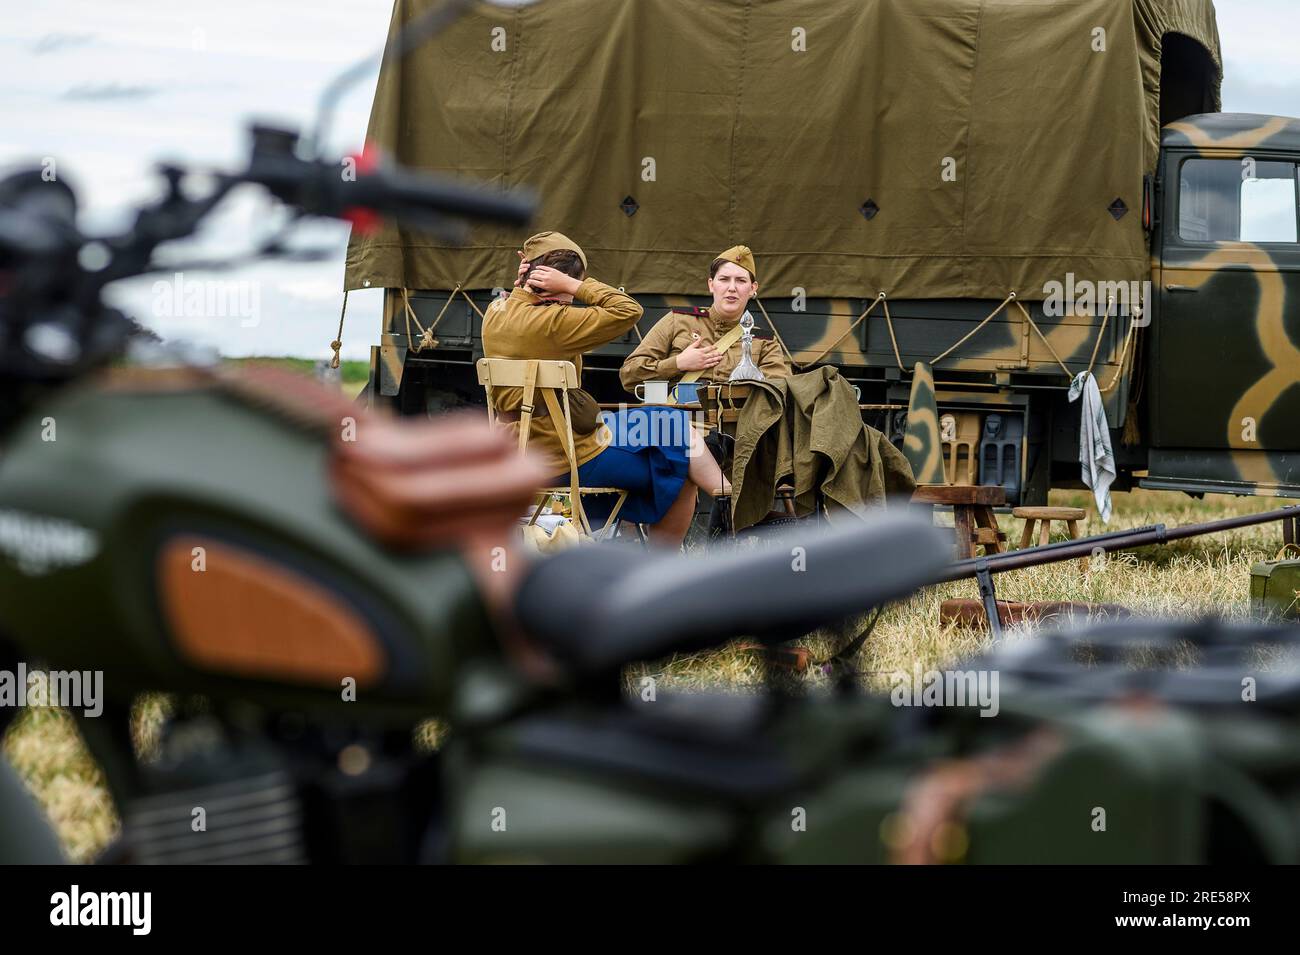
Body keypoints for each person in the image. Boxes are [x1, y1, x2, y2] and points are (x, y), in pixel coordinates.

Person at [481, 231, 730, 547]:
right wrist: (573, 286)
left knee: (665, 423)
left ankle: (726, 498)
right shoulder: (553, 322)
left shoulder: (496, 312)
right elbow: (628, 310)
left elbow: (519, 306)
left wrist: (527, 283)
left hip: (523, 453)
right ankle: (704, 534)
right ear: (553, 282)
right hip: (569, 459)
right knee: (679, 461)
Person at [619, 245, 790, 396]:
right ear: (711, 284)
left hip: (735, 428)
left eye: (741, 281)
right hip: (678, 422)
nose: (732, 288)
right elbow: (629, 376)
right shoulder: (678, 320)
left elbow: (778, 392)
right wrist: (678, 363)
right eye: (724, 279)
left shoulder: (764, 342)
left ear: (753, 289)